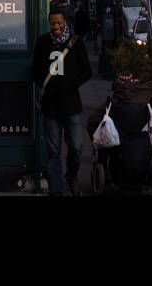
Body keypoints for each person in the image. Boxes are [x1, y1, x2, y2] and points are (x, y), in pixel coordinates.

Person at [32, 11, 92, 196]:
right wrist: (46, 85)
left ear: (64, 22)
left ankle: (71, 177)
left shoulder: (76, 43)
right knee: (53, 151)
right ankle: (56, 190)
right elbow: (35, 70)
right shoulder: (42, 43)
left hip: (72, 104)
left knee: (76, 145)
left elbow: (87, 71)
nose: (55, 26)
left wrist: (72, 84)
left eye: (58, 22)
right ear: (49, 23)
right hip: (50, 106)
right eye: (52, 23)